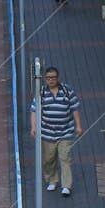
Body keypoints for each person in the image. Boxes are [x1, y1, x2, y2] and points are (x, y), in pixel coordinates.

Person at [30, 65, 83, 196]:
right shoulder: (41, 92)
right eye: (48, 78)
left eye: (53, 78)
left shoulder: (67, 90)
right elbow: (34, 111)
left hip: (65, 132)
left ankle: (66, 186)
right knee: (49, 159)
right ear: (45, 79)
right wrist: (33, 127)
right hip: (47, 134)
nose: (51, 80)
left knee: (65, 158)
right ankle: (52, 180)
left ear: (57, 78)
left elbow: (75, 108)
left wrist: (78, 126)